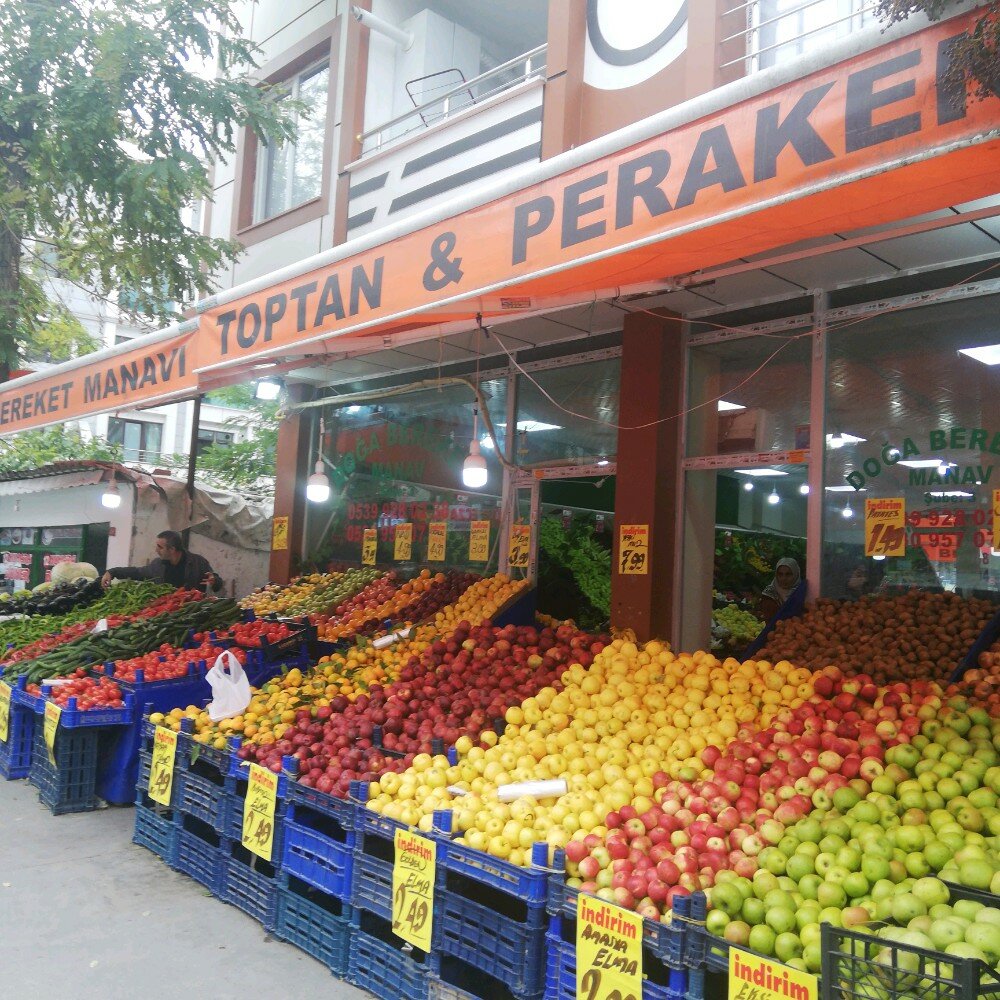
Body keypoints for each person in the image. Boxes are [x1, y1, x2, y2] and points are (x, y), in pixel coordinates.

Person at [102, 530, 223, 593]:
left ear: (172, 549)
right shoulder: (157, 565)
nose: (156, 550)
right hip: (166, 616)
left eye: (160, 547)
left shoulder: (198, 563)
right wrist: (112, 572)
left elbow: (217, 584)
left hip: (192, 615)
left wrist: (214, 581)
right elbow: (137, 572)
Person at [756, 557, 801, 621]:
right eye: (780, 574)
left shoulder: (802, 592)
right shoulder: (769, 594)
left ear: (796, 574)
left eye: (788, 574)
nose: (783, 578)